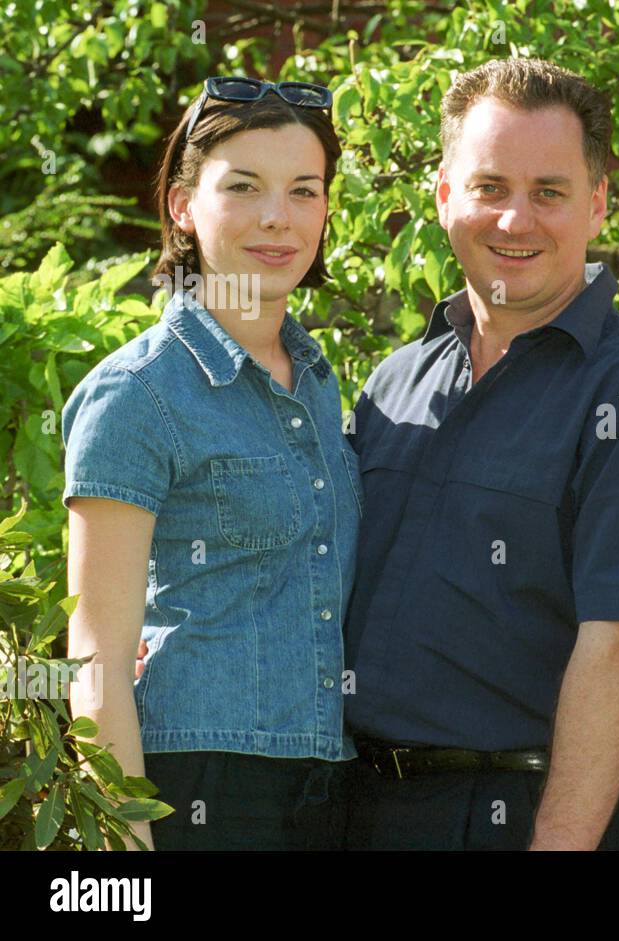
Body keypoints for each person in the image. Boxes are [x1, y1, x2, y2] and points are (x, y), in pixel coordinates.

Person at [341, 58, 619, 851]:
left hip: (522, 814)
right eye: (490, 186)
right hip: (353, 808)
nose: (516, 220)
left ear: (595, 206)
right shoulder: (394, 381)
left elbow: (616, 654)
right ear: (444, 195)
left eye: (549, 193)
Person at [64, 76, 359, 850]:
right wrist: (127, 855)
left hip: (332, 791)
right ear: (182, 205)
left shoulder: (322, 386)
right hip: (197, 792)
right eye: (244, 187)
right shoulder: (135, 396)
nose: (278, 217)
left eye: (305, 189)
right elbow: (94, 665)